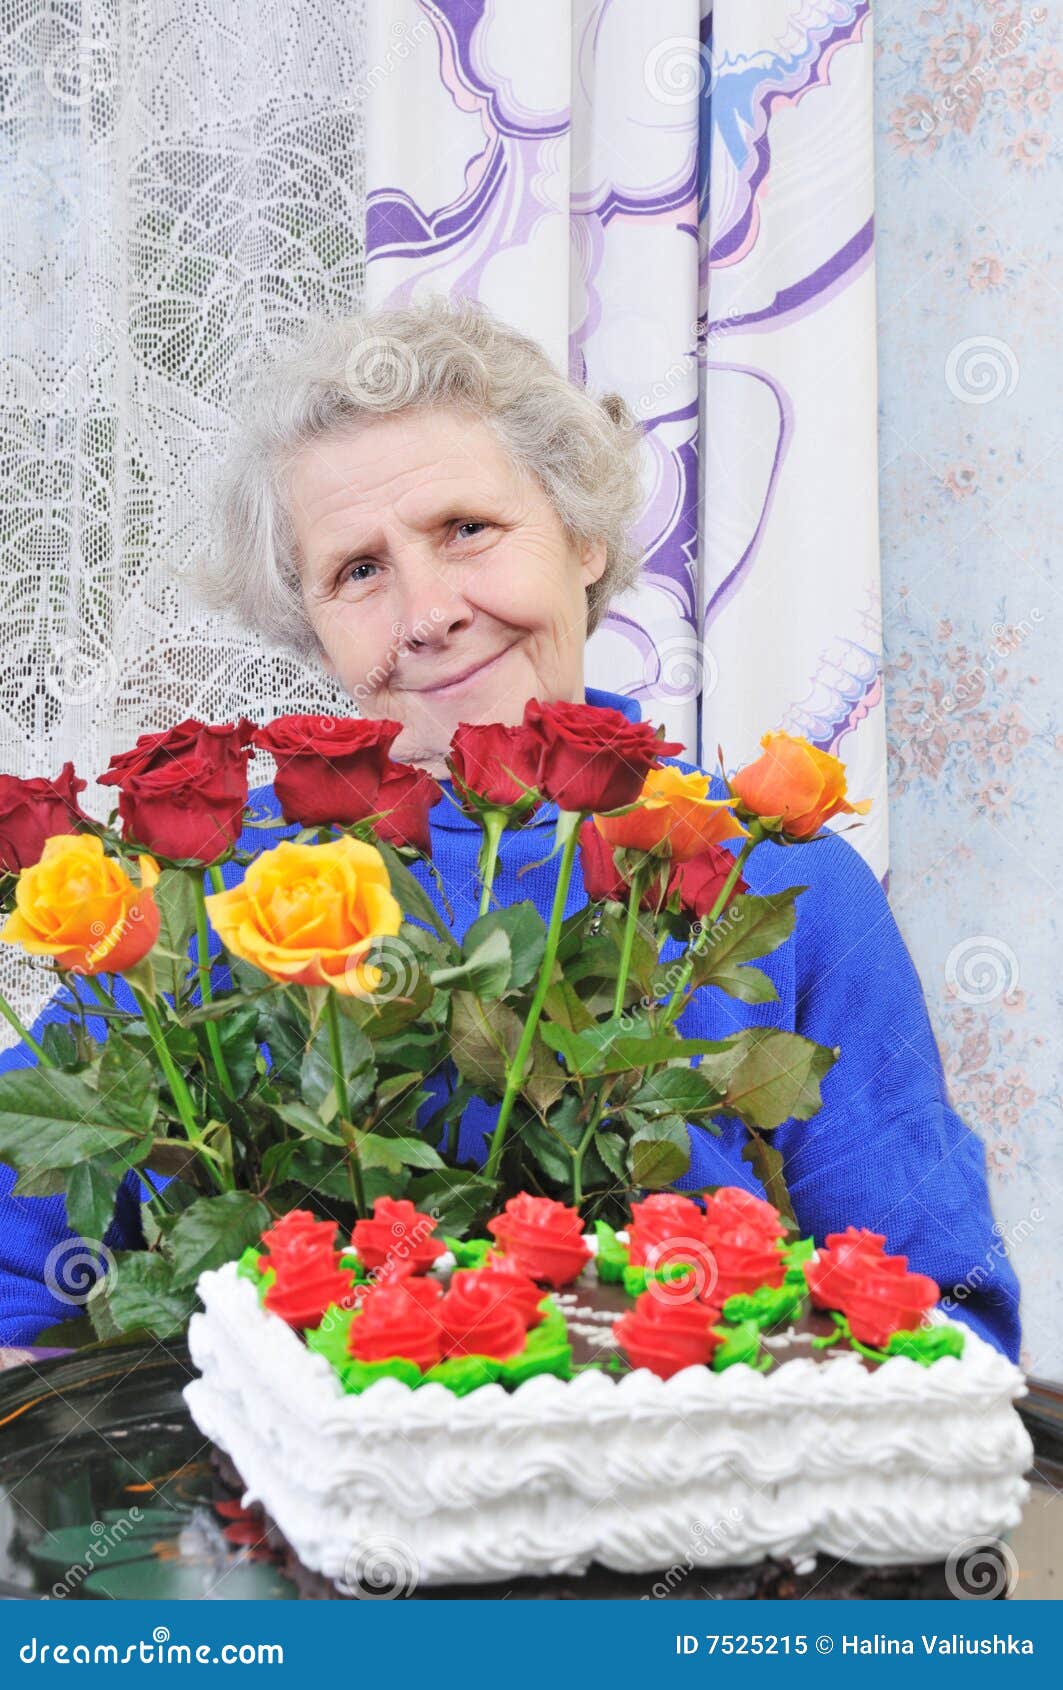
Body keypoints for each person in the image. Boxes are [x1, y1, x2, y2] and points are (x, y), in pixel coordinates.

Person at [0, 299, 1021, 1358]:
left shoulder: (787, 883)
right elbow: (13, 1284)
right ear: (313, 631)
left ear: (582, 536)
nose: (428, 609)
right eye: (358, 571)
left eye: (466, 530)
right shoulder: (201, 895)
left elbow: (942, 1314)